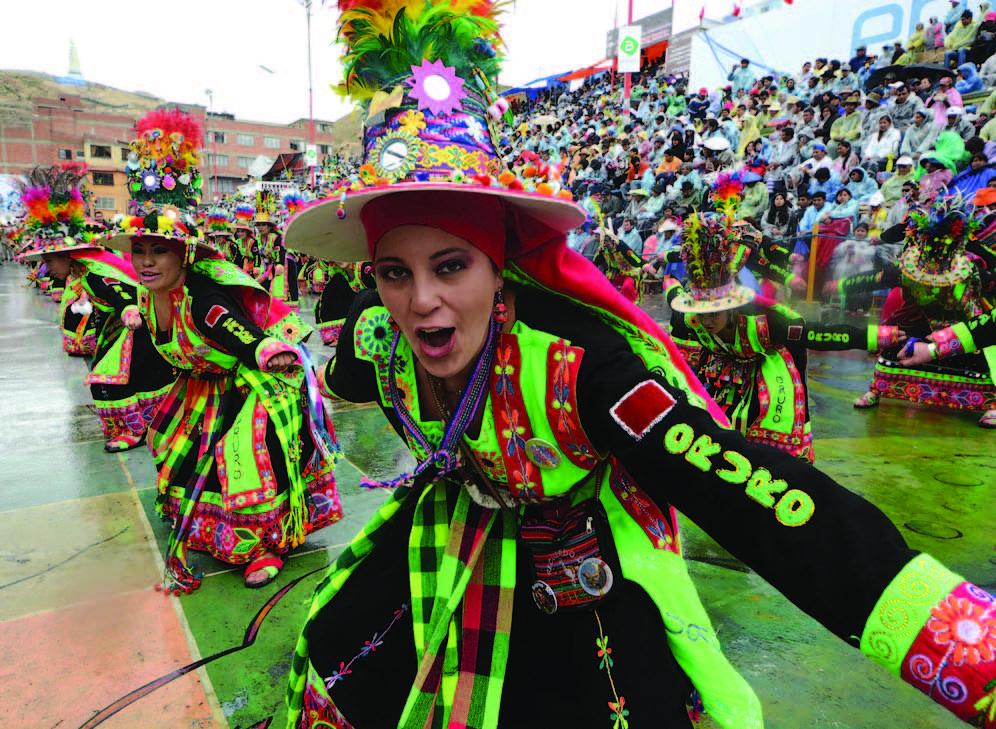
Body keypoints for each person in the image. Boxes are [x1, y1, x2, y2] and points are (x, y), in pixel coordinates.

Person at [284, 9, 996, 729]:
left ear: (499, 268)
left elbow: (742, 491)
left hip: (579, 569)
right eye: (393, 272)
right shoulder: (380, 336)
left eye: (450, 265)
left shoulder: (578, 362)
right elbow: (337, 374)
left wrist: (962, 642)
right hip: (453, 537)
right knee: (343, 654)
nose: (422, 301)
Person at [106, 109, 343, 592]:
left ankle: (263, 544)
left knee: (243, 457)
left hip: (251, 379)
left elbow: (237, 333)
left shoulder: (202, 297)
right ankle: (207, 525)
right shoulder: (146, 297)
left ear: (184, 255)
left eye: (160, 251)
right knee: (178, 446)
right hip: (202, 385)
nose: (147, 262)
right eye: (140, 252)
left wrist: (264, 351)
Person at [662, 209, 903, 463]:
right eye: (702, 314)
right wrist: (671, 283)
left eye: (714, 314)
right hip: (721, 370)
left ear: (731, 307)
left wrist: (876, 336)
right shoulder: (689, 319)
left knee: (766, 447)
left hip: (764, 368)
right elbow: (674, 297)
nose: (706, 321)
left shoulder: (766, 322)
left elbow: (817, 334)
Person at [17, 164, 175, 452]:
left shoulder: (92, 273)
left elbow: (118, 290)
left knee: (108, 380)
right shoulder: (82, 272)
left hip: (137, 326)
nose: (46, 269)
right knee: (122, 379)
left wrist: (128, 310)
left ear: (66, 256)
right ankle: (143, 425)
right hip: (129, 327)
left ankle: (137, 429)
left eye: (49, 261)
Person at [829, 197, 996, 428]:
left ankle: (991, 403)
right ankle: (876, 390)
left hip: (959, 322)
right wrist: (841, 285)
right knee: (893, 342)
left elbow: (989, 264)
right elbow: (880, 277)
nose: (939, 247)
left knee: (980, 352)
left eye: (945, 242)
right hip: (918, 316)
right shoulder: (912, 263)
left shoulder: (968, 266)